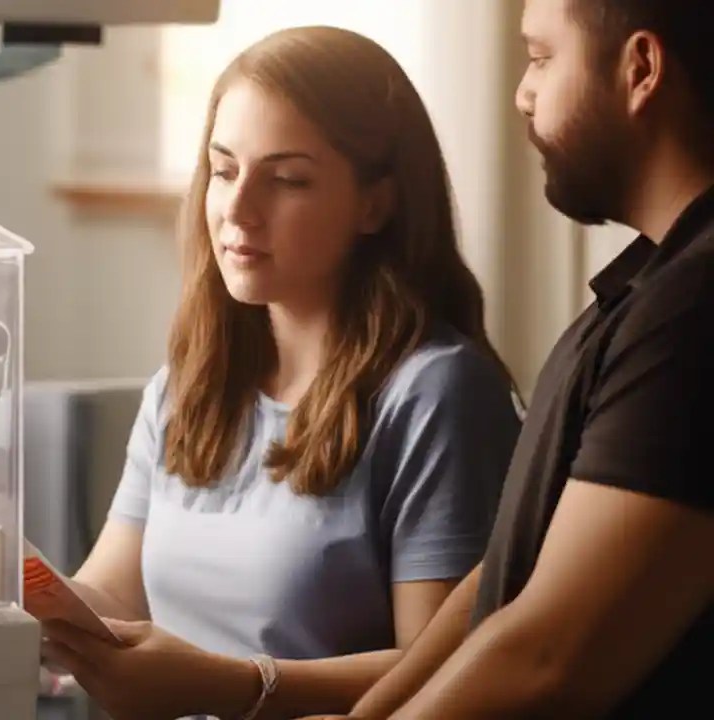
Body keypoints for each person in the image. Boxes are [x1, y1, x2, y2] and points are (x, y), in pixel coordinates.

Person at [39, 26, 522, 720]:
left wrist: (226, 684)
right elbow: (111, 597)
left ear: (376, 203)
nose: (238, 209)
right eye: (224, 170)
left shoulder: (438, 394)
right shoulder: (186, 386)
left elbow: (444, 673)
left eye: (287, 179)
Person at [298, 1, 714, 718]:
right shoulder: (646, 290)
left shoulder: (695, 309)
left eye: (543, 58)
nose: (523, 93)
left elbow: (553, 657)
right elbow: (510, 577)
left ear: (640, 69)